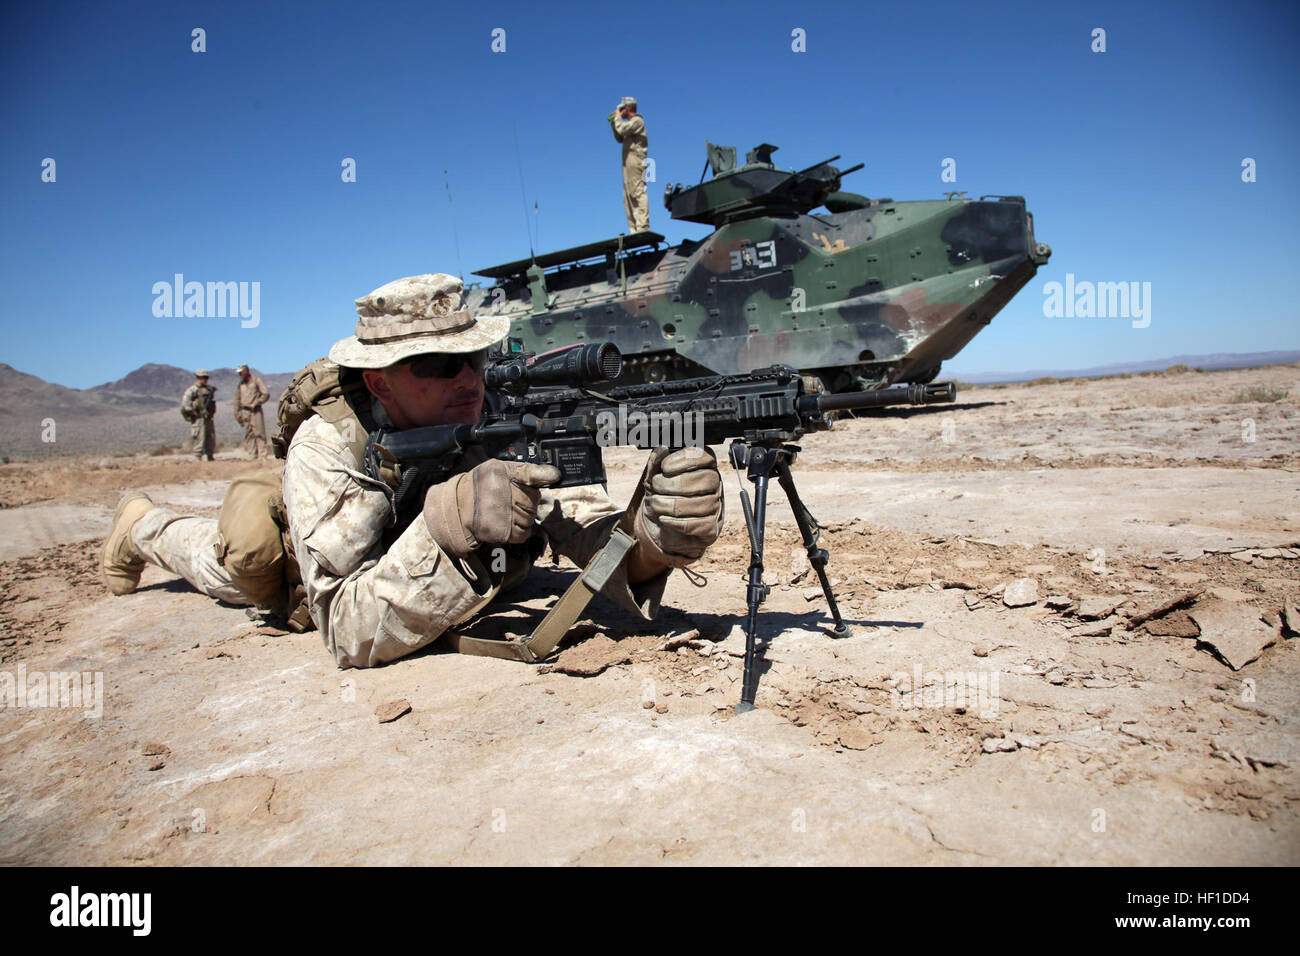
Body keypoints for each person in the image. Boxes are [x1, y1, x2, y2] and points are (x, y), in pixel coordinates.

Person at [101, 273, 725, 670]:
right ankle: (142, 525)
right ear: (380, 380)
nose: (467, 380)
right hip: (301, 553)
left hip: (397, 564)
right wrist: (445, 526)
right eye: (436, 365)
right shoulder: (330, 444)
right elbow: (344, 630)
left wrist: (648, 542)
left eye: (474, 358)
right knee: (245, 563)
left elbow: (580, 525)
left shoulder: (499, 406)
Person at [607, 96, 649, 233]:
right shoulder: (628, 124)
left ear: (628, 108)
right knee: (628, 196)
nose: (620, 111)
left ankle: (643, 226)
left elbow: (623, 130)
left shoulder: (637, 121)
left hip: (636, 161)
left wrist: (618, 118)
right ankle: (634, 229)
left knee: (637, 192)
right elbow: (619, 137)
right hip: (628, 162)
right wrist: (614, 123)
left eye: (621, 108)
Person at [233, 363, 270, 459]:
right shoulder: (240, 385)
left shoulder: (256, 381)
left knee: (259, 432)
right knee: (249, 433)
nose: (240, 375)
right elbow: (237, 399)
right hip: (245, 412)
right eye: (239, 373)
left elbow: (265, 394)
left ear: (246, 371)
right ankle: (252, 454)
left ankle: (262, 455)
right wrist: (236, 412)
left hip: (255, 411)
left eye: (241, 372)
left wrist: (257, 402)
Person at [181, 370, 217, 461]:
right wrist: (194, 412)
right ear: (198, 378)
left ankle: (210, 455)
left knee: (210, 437)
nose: (205, 380)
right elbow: (185, 404)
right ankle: (197, 457)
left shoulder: (208, 390)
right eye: (203, 377)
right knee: (200, 438)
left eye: (206, 378)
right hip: (198, 418)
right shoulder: (192, 390)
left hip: (208, 417)